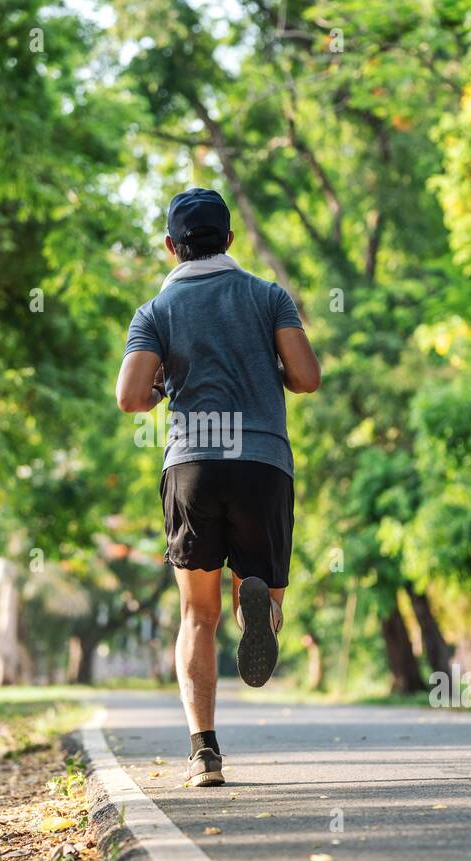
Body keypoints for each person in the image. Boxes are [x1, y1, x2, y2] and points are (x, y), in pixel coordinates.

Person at [115, 187, 321, 787]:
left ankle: (204, 751)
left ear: (170, 246)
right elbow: (306, 378)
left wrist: (163, 390)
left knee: (194, 615)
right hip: (261, 462)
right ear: (230, 240)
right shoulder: (267, 295)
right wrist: (268, 369)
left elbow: (130, 396)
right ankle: (259, 603)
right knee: (264, 583)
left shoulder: (155, 310)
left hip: (192, 467)